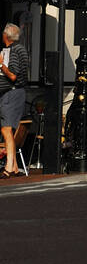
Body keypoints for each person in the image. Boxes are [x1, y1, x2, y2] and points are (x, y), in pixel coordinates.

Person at [0, 23, 29, 179]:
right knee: (7, 129)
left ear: (6, 36)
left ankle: (9, 167)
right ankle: (16, 168)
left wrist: (1, 64)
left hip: (11, 94)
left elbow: (12, 75)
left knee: (6, 130)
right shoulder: (20, 50)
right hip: (14, 94)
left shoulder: (13, 51)